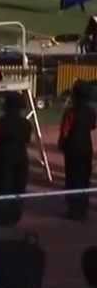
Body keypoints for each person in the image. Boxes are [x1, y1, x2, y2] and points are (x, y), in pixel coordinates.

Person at [0, 91, 31, 227]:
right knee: (18, 187)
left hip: (2, 159)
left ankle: (3, 217)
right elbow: (26, 140)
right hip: (21, 158)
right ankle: (14, 215)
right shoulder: (26, 123)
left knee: (3, 187)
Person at [60, 81, 96, 221]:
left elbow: (65, 131)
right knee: (84, 177)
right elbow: (93, 126)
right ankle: (83, 208)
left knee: (72, 178)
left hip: (72, 148)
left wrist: (61, 144)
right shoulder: (91, 111)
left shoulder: (70, 112)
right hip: (86, 147)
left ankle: (73, 208)